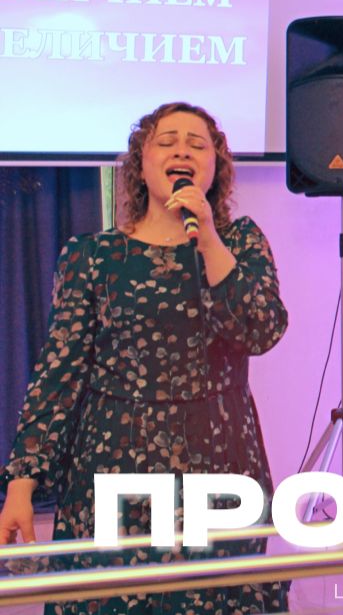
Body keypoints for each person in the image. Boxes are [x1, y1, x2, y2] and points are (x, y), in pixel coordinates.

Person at [0, 103, 289, 614]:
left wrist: (209, 238)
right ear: (141, 162)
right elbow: (58, 374)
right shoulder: (93, 256)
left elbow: (261, 330)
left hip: (219, 469)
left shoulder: (239, 243)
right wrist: (21, 483)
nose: (183, 151)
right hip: (113, 469)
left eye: (197, 144)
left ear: (216, 167)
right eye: (167, 141)